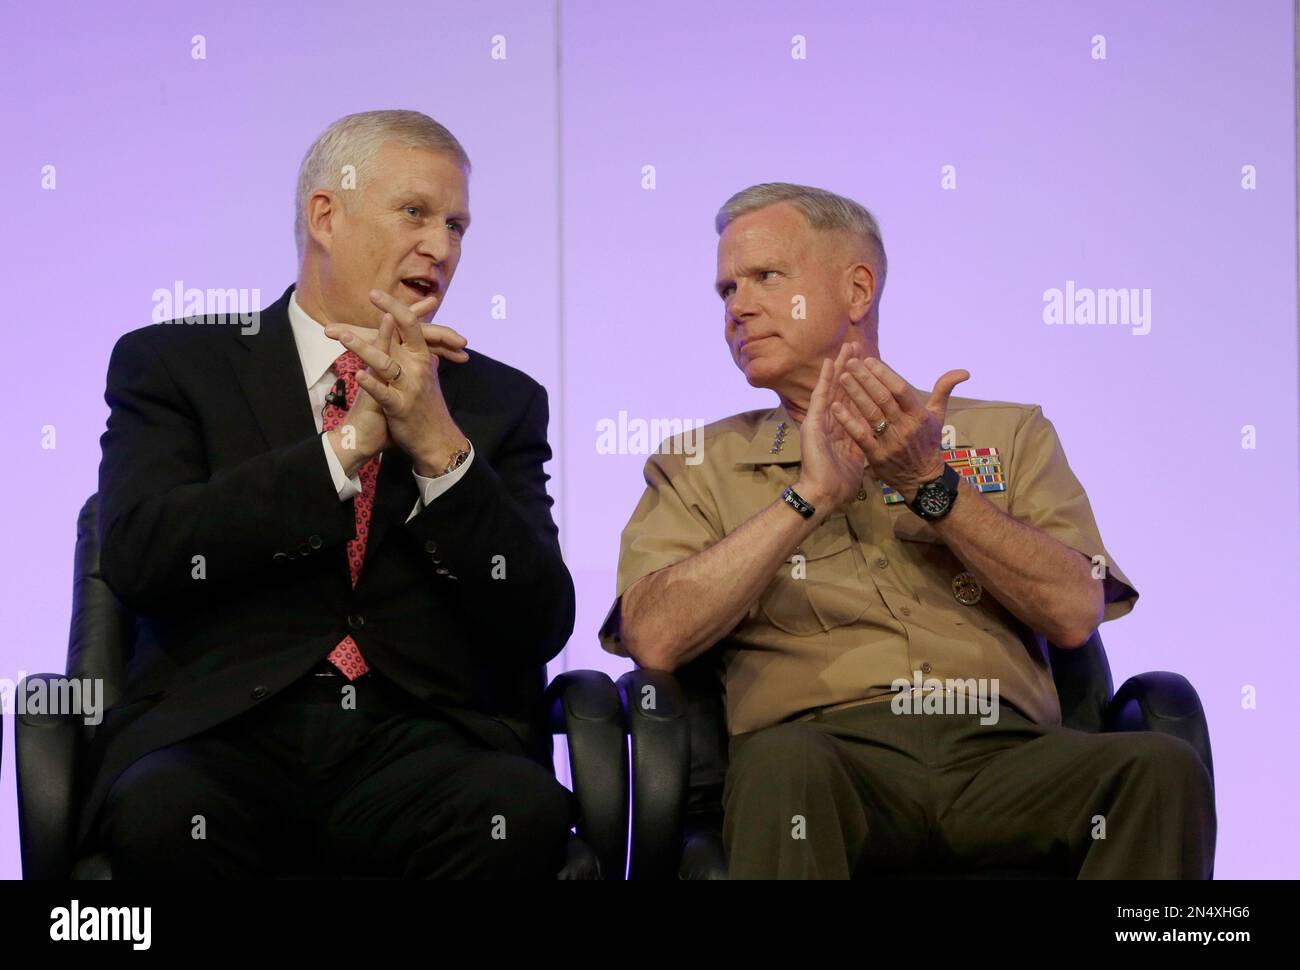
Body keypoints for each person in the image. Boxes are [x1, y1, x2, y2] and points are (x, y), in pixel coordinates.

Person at [601, 182, 1215, 879]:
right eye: (725, 291)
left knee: (1159, 767)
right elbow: (653, 636)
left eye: (766, 277)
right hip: (827, 760)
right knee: (781, 765)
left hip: (1007, 758)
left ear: (857, 290)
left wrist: (934, 489)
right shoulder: (697, 465)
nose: (737, 307)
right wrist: (807, 497)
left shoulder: (1006, 433)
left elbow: (1076, 613)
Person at [82, 109, 576, 878]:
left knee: (518, 813)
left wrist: (441, 449)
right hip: (221, 737)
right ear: (326, 215)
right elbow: (144, 554)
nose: (441, 248)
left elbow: (540, 619)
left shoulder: (496, 403)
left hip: (420, 743)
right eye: (415, 212)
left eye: (457, 226)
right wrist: (349, 445)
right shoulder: (177, 364)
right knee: (167, 816)